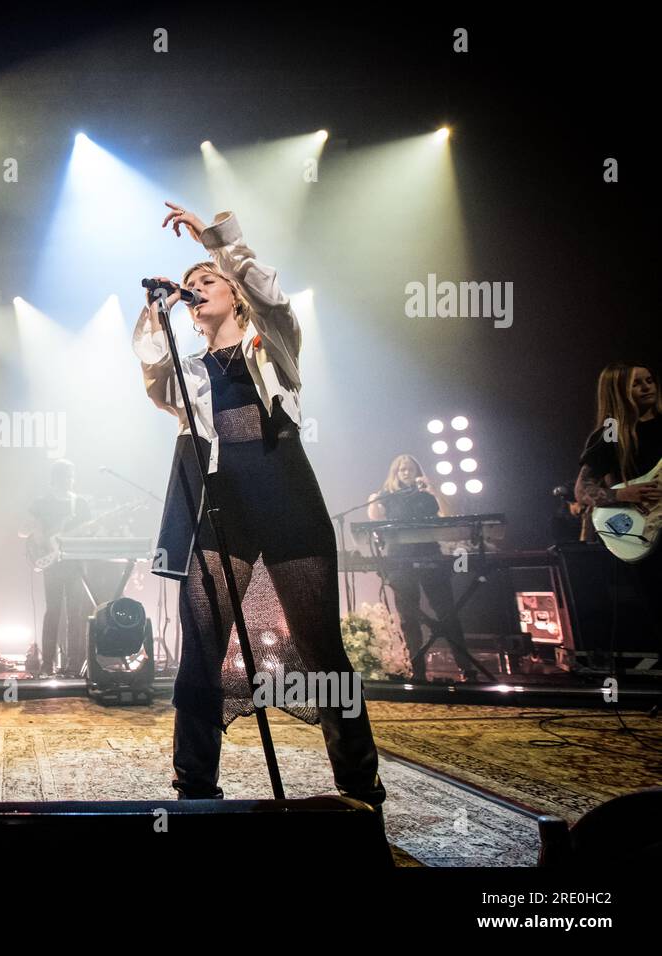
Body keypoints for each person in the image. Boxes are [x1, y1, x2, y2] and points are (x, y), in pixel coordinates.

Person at [133, 201, 385, 808]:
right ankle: (195, 785)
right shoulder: (186, 372)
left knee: (322, 646)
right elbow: (151, 367)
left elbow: (270, 297)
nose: (195, 291)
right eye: (189, 287)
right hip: (220, 508)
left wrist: (218, 246)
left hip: (286, 495)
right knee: (202, 644)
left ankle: (357, 782)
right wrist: (158, 311)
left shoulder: (273, 345)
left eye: (206, 282)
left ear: (235, 293)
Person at [367, 454, 477, 682]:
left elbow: (448, 514)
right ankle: (418, 672)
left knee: (447, 613)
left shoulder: (426, 494)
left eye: (410, 469)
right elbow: (374, 521)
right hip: (399, 559)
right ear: (395, 473)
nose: (406, 473)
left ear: (418, 471)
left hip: (429, 556)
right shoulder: (388, 495)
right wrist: (375, 501)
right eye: (402, 470)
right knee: (409, 618)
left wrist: (435, 491)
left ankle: (467, 669)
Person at [575, 362, 662, 640]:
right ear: (617, 391)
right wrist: (620, 494)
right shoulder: (612, 433)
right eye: (637, 383)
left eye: (649, 380)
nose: (647, 387)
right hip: (647, 529)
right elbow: (583, 488)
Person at [25, 459, 92, 677]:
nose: (69, 481)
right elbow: (25, 529)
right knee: (53, 612)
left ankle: (74, 664)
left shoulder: (79, 503)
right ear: (55, 479)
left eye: (70, 477)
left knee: (76, 614)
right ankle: (47, 664)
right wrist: (43, 540)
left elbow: (89, 531)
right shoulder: (41, 503)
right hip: (52, 564)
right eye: (65, 477)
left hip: (74, 564)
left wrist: (84, 534)